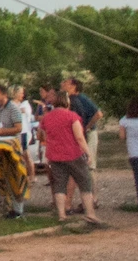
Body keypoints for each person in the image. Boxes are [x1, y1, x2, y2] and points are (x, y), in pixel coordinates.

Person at [38, 94, 104, 226]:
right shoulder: (72, 116)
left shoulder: (46, 118)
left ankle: (62, 214)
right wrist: (87, 152)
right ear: (67, 103)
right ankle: (90, 213)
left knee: (60, 185)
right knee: (85, 182)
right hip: (73, 154)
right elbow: (79, 137)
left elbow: (40, 134)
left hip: (54, 155)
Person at [0, 82, 28, 218]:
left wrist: (2, 131)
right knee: (3, 176)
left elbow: (18, 128)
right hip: (0, 147)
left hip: (13, 147)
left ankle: (18, 209)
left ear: (5, 95)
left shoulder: (13, 108)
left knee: (15, 176)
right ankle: (8, 206)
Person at [63, 77, 102, 174]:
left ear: (73, 86)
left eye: (66, 83)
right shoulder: (69, 99)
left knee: (89, 165)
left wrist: (87, 127)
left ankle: (91, 188)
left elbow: (99, 114)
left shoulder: (82, 98)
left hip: (89, 133)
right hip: (80, 133)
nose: (63, 85)